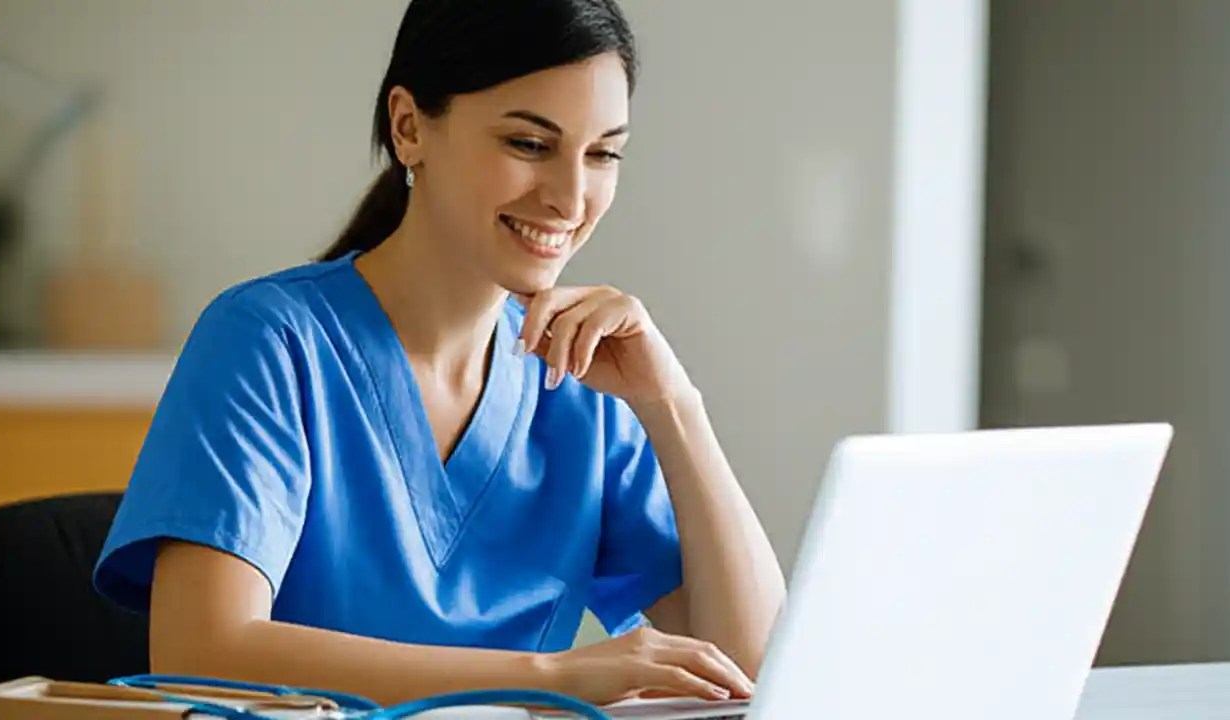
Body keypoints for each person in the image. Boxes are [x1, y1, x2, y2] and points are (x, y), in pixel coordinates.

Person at [93, 0, 785, 707]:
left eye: (603, 153)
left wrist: (673, 404)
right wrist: (552, 678)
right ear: (409, 127)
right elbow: (200, 652)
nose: (571, 198)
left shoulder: (582, 388)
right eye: (529, 144)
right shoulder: (268, 341)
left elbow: (757, 668)